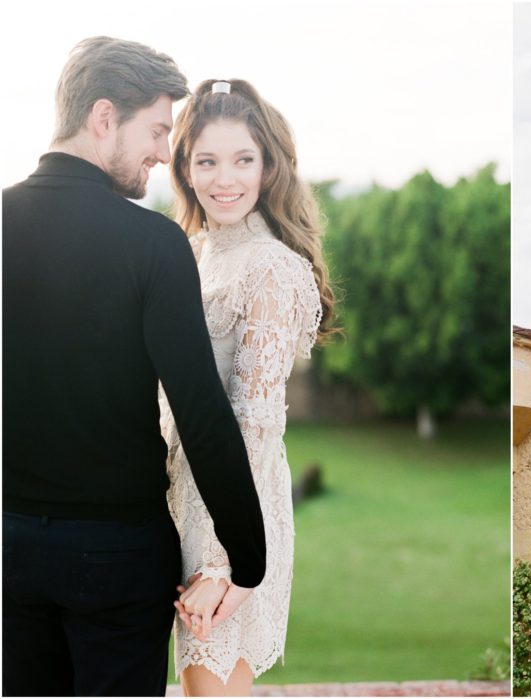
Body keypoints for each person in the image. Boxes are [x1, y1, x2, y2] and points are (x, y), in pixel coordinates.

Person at [2, 37, 267, 697]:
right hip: (117, 560)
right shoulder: (152, 242)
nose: (160, 151)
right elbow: (202, 413)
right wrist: (248, 560)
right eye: (154, 130)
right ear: (102, 118)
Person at [164, 78, 335, 696]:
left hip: (233, 520)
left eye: (243, 159)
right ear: (185, 167)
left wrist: (224, 561)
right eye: (207, 160)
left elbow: (254, 426)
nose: (224, 179)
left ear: (268, 166)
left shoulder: (272, 268)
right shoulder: (188, 251)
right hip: (172, 502)